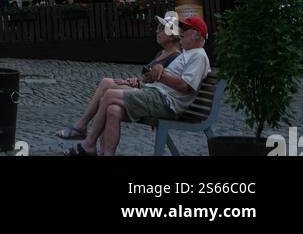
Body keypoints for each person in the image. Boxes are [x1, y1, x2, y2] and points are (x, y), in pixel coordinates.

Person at [64, 15, 211, 157]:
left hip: (166, 102)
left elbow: (185, 86)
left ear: (197, 34)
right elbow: (163, 80)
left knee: (109, 95)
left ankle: (89, 143)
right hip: (156, 94)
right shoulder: (188, 54)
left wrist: (160, 73)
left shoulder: (198, 55)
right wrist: (149, 77)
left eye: (185, 29)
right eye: (182, 29)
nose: (182, 33)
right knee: (113, 109)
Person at [56, 16, 181, 142]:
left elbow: (163, 87)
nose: (157, 31)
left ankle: (82, 128)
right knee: (105, 85)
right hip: (145, 90)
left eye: (161, 29)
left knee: (107, 90)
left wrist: (140, 83)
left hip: (152, 96)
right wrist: (135, 81)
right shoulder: (161, 53)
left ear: (171, 35)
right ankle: (86, 132)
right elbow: (148, 79)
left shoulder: (175, 57)